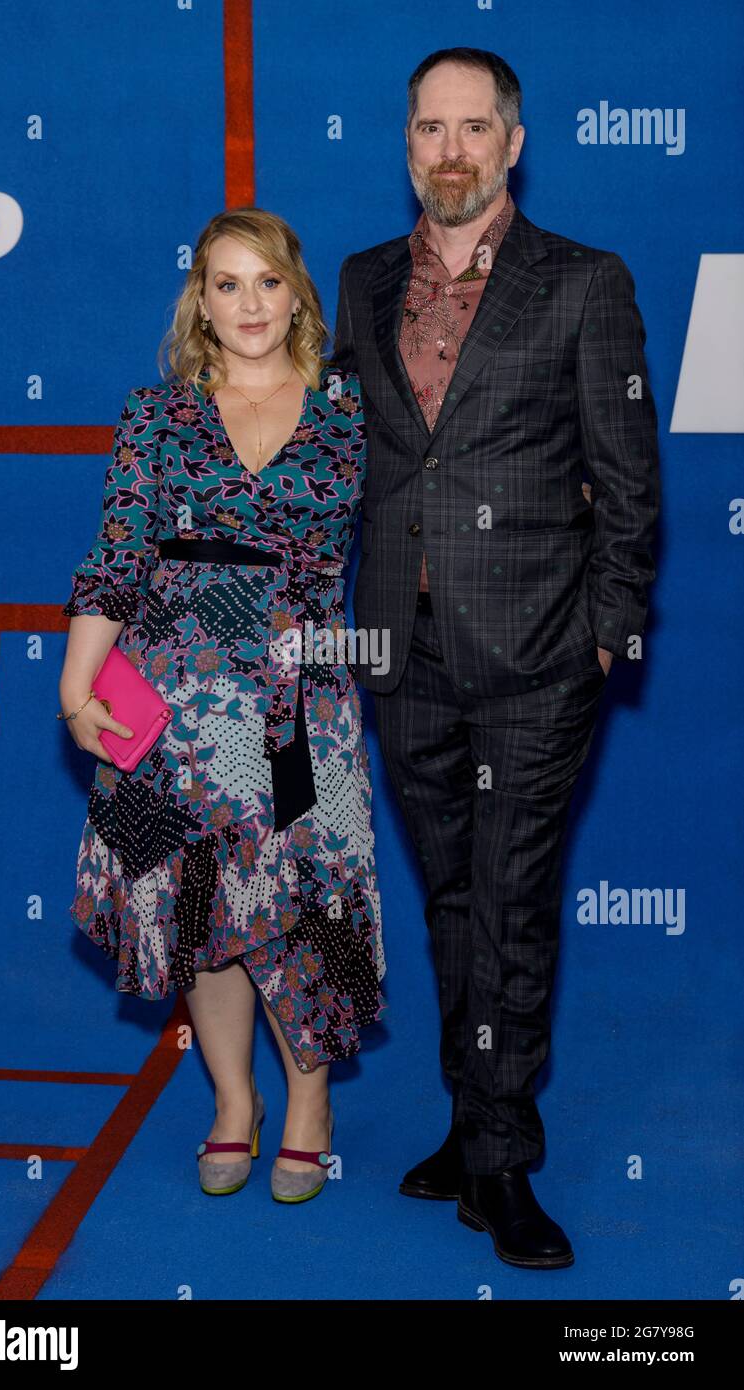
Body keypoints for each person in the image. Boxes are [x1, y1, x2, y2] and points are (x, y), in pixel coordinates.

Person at [331, 47, 660, 1266]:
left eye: (475, 127)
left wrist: (603, 638)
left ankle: (503, 1160)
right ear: (406, 143)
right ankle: (470, 1124)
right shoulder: (363, 281)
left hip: (535, 655)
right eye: (431, 127)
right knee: (451, 899)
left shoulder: (583, 282)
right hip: (399, 649)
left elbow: (629, 483)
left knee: (510, 900)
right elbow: (343, 457)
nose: (452, 150)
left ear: (513, 143)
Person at [58, 207, 387, 1204]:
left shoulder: (349, 409)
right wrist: (77, 686)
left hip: (302, 697)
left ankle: (309, 1104)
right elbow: (117, 557)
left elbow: (423, 522)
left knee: (306, 899)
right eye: (227, 283)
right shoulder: (155, 414)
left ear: (297, 296)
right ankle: (234, 1101)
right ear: (200, 300)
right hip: (180, 699)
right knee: (200, 904)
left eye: (268, 281)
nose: (250, 303)